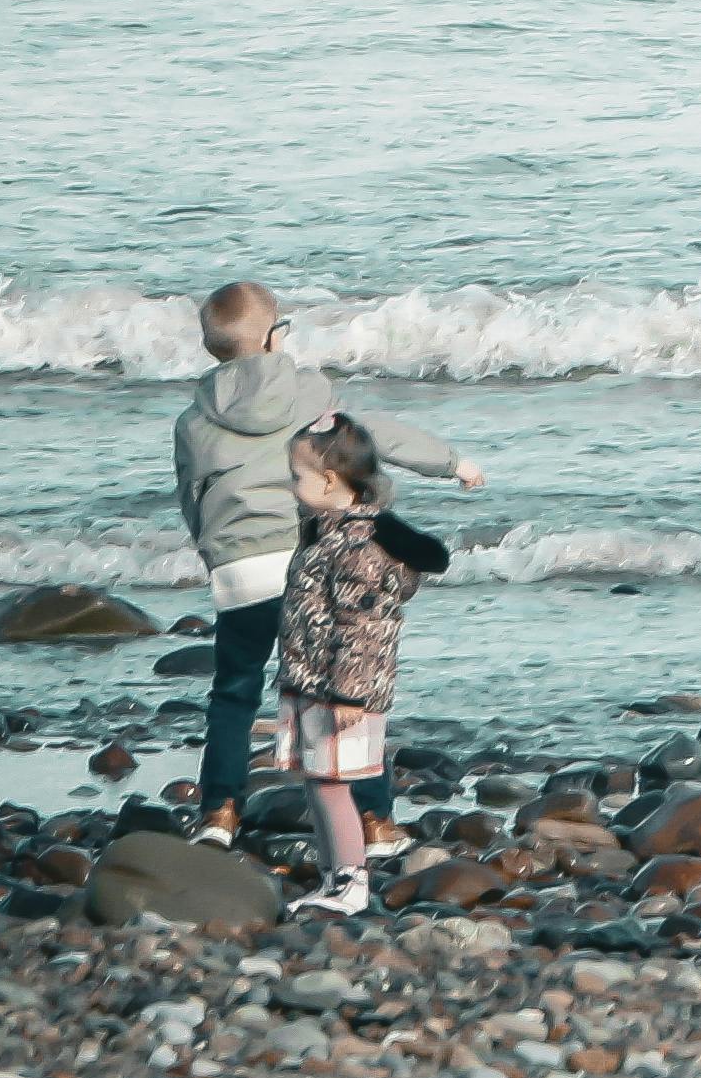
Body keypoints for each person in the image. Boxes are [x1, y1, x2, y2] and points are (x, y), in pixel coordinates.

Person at [170, 283, 477, 850]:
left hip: (240, 569)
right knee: (342, 689)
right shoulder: (312, 399)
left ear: (211, 349)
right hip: (312, 561)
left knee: (234, 692)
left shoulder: (193, 420)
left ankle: (218, 814)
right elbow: (377, 438)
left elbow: (193, 496)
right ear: (274, 335)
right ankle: (377, 822)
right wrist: (452, 462)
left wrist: (213, 550)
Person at [272, 417, 445, 917]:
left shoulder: (358, 545)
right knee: (317, 778)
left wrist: (348, 694)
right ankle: (333, 876)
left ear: (330, 482)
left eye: (298, 477)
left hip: (342, 690)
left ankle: (351, 880)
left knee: (332, 783)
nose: (293, 488)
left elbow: (361, 627)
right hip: (312, 680)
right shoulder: (326, 534)